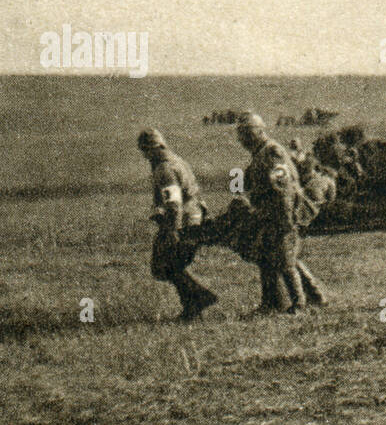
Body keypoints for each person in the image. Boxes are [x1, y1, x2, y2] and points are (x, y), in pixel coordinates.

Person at [237, 113, 327, 313]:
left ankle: (299, 304)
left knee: (285, 260)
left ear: (260, 131)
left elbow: (284, 188)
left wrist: (286, 220)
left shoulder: (272, 152)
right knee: (272, 256)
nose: (243, 138)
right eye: (241, 134)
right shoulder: (261, 153)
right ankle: (304, 298)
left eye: (247, 133)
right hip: (270, 213)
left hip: (280, 213)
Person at [137, 128, 217, 320]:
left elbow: (174, 203)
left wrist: (173, 231)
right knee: (170, 265)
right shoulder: (176, 160)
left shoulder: (164, 168)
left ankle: (199, 298)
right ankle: (193, 305)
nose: (146, 157)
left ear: (150, 149)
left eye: (145, 152)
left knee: (164, 265)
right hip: (193, 217)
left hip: (183, 222)